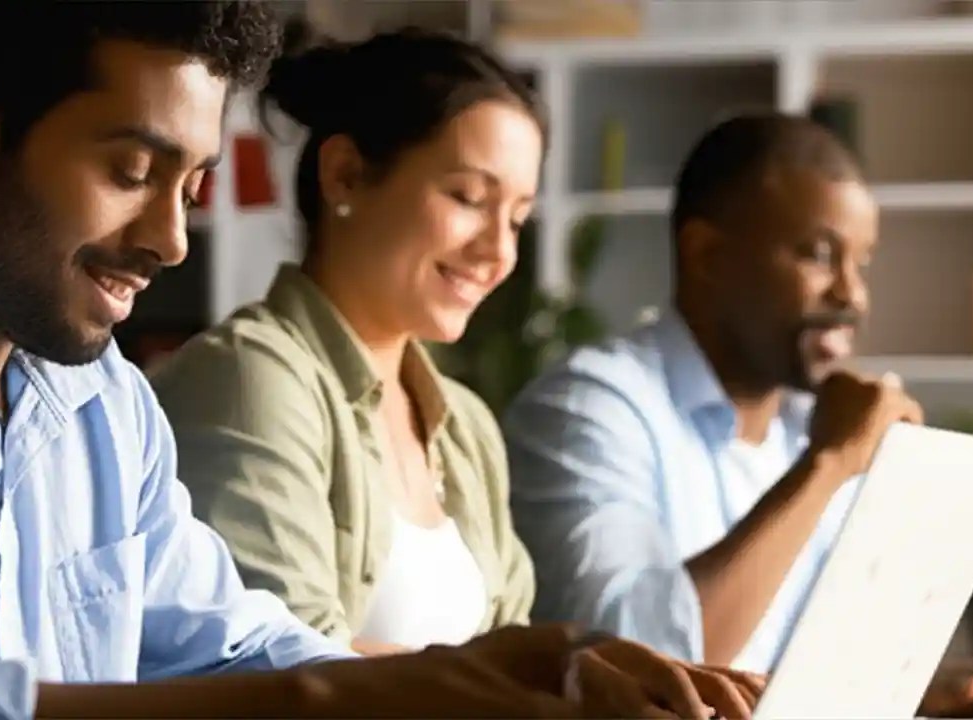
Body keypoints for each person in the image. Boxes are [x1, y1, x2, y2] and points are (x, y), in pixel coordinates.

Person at [0, 2, 751, 718]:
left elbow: (227, 644)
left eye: (189, 186)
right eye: (132, 172)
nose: (171, 239)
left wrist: (515, 671)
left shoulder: (102, 403)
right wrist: (334, 698)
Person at [147, 26, 760, 715]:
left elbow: (516, 657)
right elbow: (276, 674)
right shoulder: (252, 381)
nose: (497, 252)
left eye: (518, 218)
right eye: (469, 198)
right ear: (345, 174)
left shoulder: (464, 427)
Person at [501, 113, 973, 716]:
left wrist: (927, 697)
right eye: (820, 255)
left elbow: (811, 679)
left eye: (863, 262)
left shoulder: (803, 427)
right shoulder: (588, 411)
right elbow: (637, 671)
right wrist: (828, 465)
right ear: (708, 255)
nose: (852, 295)